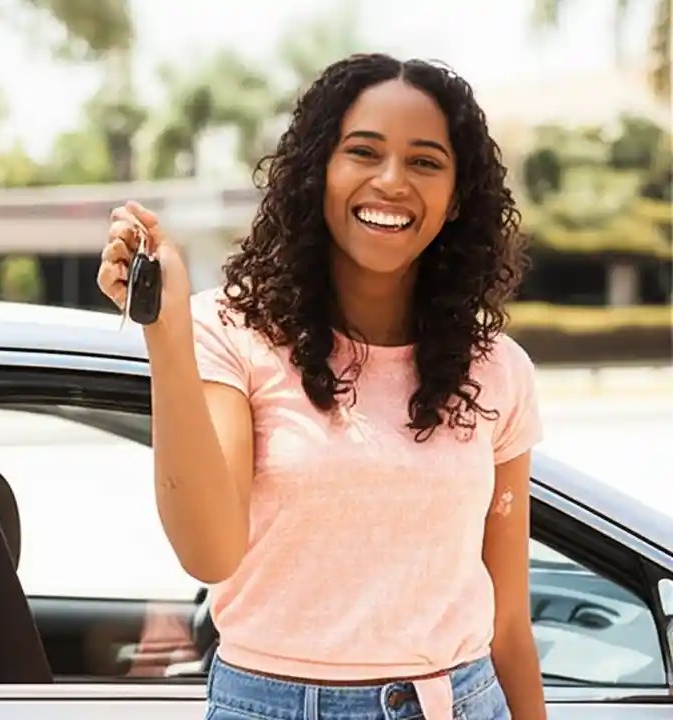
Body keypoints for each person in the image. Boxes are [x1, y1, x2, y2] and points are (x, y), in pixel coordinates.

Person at [98, 54, 545, 720]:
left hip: (462, 700)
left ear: (457, 200)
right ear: (318, 173)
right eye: (362, 152)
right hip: (276, 704)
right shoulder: (230, 333)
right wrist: (166, 335)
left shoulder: (497, 369)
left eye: (425, 162)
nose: (391, 181)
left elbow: (508, 623)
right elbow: (209, 549)